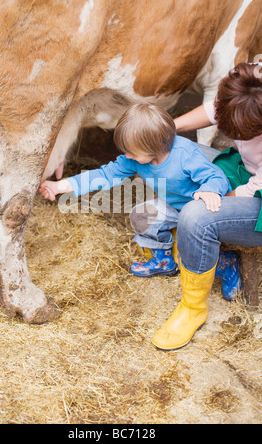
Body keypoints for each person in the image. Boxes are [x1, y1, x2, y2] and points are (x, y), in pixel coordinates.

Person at [39, 102, 230, 283]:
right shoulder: (134, 160)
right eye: (125, 150)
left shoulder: (185, 154)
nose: (127, 156)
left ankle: (225, 264)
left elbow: (216, 176)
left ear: (155, 146)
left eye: (132, 151)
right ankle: (163, 261)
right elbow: (104, 175)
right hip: (175, 204)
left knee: (194, 247)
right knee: (141, 215)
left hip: (200, 210)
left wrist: (210, 190)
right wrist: (60, 186)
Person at [151, 61, 262, 351]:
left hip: (258, 198)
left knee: (196, 216)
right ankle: (208, 251)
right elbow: (216, 109)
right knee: (169, 152)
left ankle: (193, 307)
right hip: (248, 172)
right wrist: (166, 130)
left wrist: (212, 192)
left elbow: (252, 191)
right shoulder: (252, 80)